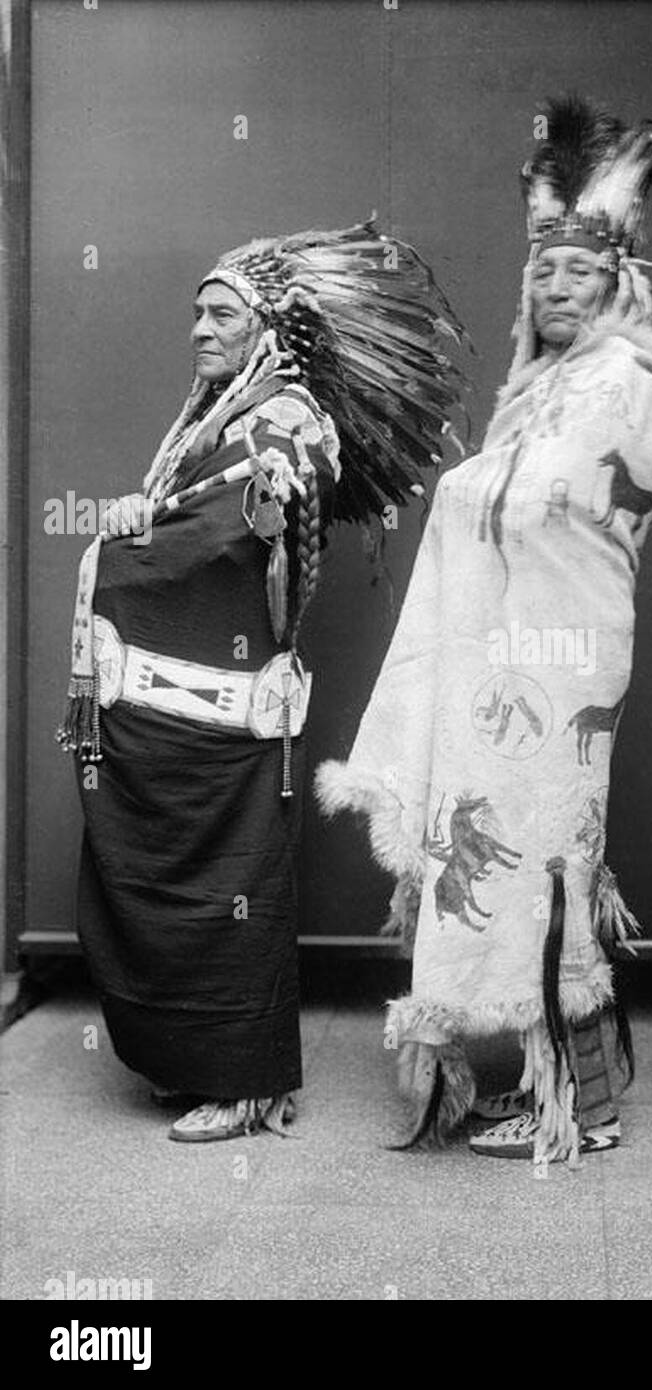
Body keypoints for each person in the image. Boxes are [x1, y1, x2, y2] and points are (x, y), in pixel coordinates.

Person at [318, 97, 652, 1164]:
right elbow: (505, 495)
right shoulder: (535, 390)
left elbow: (563, 508)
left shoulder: (629, 382)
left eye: (576, 272)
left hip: (560, 661)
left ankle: (577, 1103)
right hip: (505, 667)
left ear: (619, 284)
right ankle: (562, 1081)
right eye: (540, 271)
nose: (550, 285)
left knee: (548, 854)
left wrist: (473, 486)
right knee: (496, 844)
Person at [58, 222, 463, 1142]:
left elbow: (242, 522)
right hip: (174, 714)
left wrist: (135, 543)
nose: (199, 330)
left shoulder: (287, 418)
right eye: (196, 314)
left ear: (269, 332)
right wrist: (137, 518)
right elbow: (181, 517)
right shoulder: (213, 420)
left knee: (226, 892)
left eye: (221, 315)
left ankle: (245, 1083)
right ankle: (188, 1062)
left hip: (230, 720)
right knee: (162, 883)